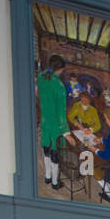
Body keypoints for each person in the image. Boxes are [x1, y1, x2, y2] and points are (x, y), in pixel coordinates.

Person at [36, 54, 73, 191]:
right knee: (55, 153)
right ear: (60, 69)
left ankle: (47, 176)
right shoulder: (59, 86)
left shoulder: (40, 77)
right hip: (56, 125)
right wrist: (66, 133)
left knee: (45, 149)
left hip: (45, 121)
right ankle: (55, 182)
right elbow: (61, 112)